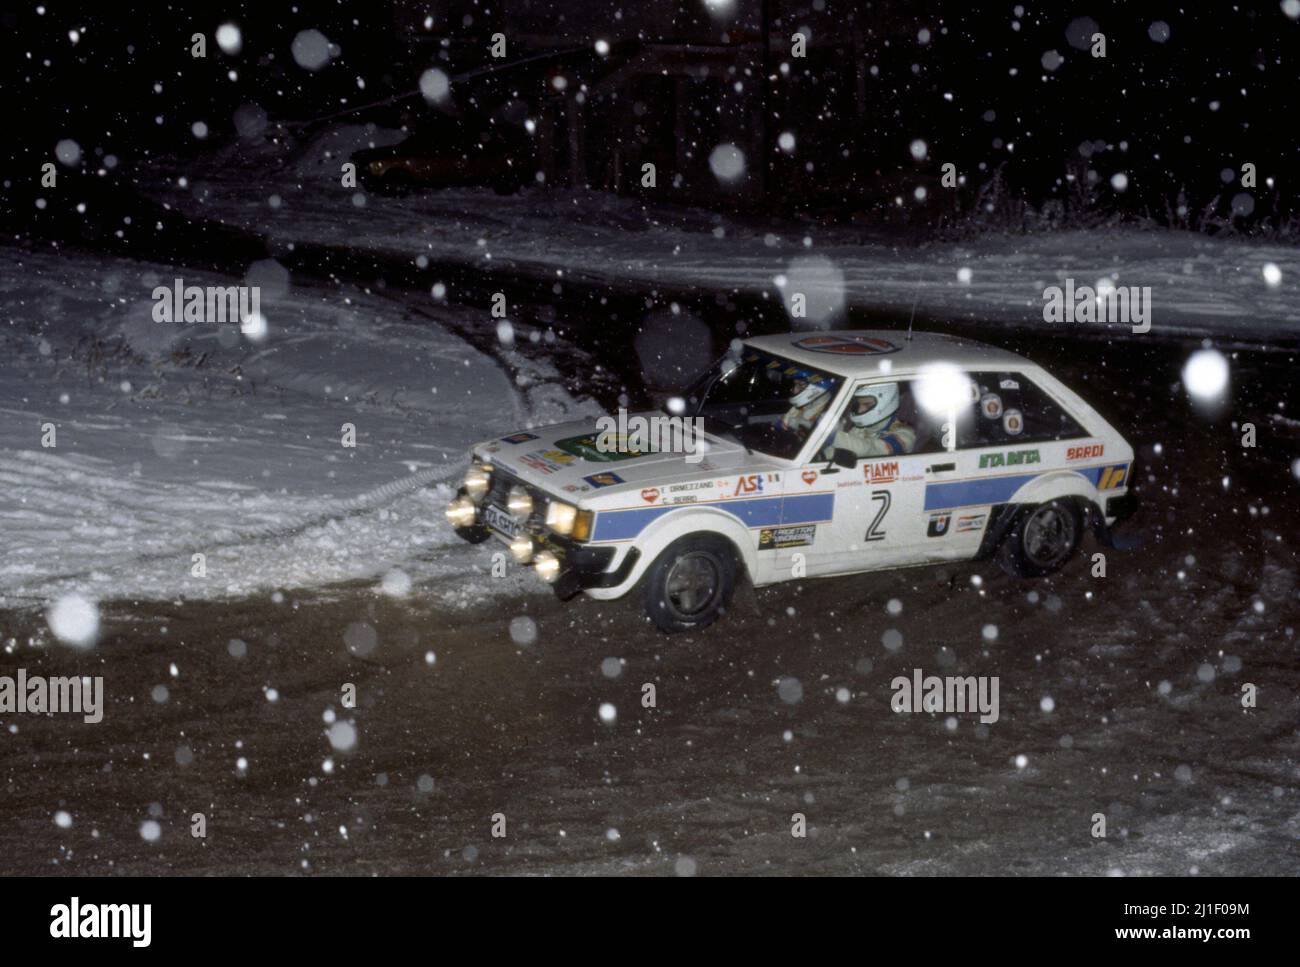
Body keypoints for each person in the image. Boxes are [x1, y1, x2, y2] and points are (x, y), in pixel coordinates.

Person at [829, 382, 916, 458]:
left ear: (886, 402)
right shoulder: (862, 428)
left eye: (867, 404)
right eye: (859, 404)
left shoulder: (906, 434)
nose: (859, 410)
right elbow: (840, 452)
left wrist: (830, 435)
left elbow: (871, 450)